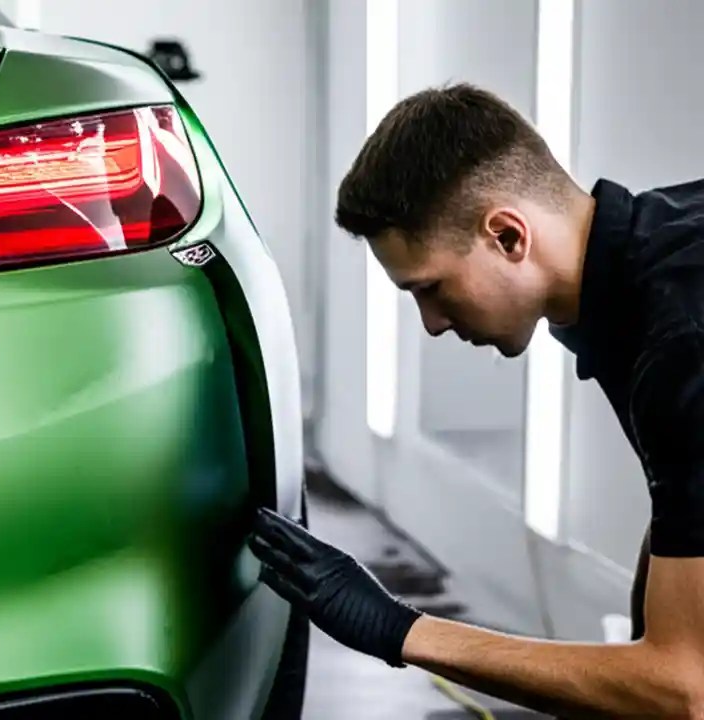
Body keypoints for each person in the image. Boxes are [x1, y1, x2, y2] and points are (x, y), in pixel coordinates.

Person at [250, 82, 704, 718]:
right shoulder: (654, 259)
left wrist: (400, 629)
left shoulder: (681, 339)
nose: (432, 322)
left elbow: (685, 688)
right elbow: (683, 522)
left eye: (432, 288)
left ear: (508, 237)